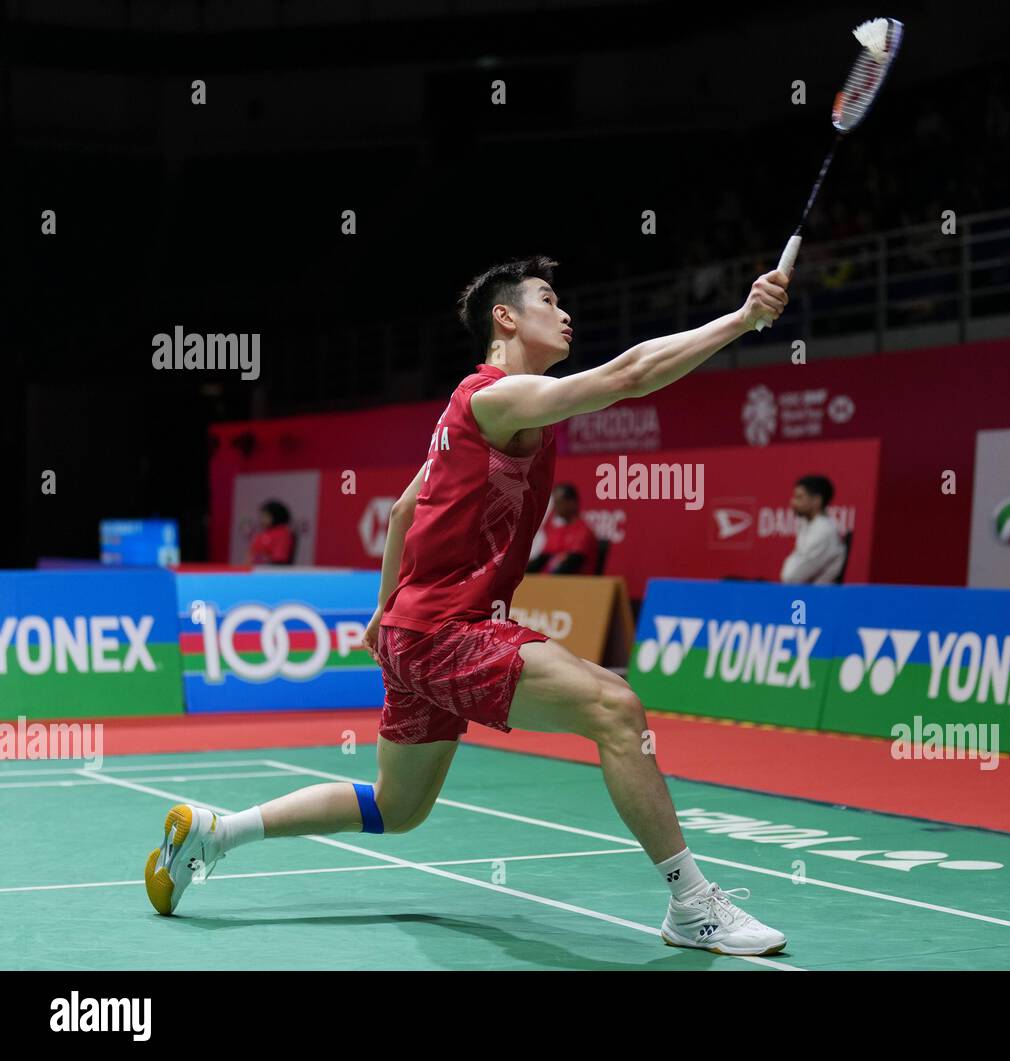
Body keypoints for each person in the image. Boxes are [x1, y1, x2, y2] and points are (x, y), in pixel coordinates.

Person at [145, 255, 791, 957]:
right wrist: (743, 319)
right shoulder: (494, 396)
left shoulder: (474, 412)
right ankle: (694, 905)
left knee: (397, 808)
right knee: (616, 707)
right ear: (504, 317)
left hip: (416, 632)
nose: (566, 312)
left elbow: (399, 512)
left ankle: (217, 831)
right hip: (450, 631)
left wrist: (382, 613)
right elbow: (629, 376)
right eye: (548, 298)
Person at [779, 475, 846, 584]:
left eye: (799, 497)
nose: (793, 502)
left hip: (816, 598)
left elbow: (791, 576)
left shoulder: (823, 531)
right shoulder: (810, 525)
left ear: (817, 500)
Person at [527, 483, 600, 574]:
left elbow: (572, 564)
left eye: (559, 503)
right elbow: (544, 558)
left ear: (572, 503)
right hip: (552, 583)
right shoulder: (556, 531)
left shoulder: (583, 532)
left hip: (576, 584)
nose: (554, 508)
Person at [248, 500, 295, 565]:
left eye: (265, 516)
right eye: (261, 516)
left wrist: (258, 559)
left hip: (270, 572)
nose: (261, 519)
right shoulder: (263, 533)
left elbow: (279, 560)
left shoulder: (283, 534)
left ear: (276, 516)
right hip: (253, 570)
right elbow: (251, 553)